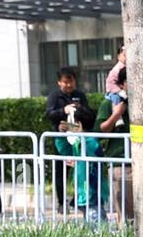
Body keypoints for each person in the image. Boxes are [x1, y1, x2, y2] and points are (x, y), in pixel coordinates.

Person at [44, 68, 96, 217]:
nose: (68, 85)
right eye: (65, 82)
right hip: (62, 139)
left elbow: (90, 116)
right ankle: (62, 202)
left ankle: (78, 199)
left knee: (81, 169)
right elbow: (49, 114)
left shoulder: (80, 96)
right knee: (61, 171)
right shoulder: (55, 96)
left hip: (78, 137)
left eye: (71, 81)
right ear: (59, 82)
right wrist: (64, 110)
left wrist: (80, 110)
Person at [94, 66, 133, 223]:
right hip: (120, 162)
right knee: (126, 213)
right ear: (122, 84)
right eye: (131, 80)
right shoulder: (110, 102)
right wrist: (117, 113)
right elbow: (100, 130)